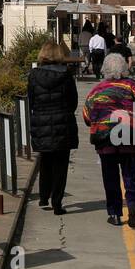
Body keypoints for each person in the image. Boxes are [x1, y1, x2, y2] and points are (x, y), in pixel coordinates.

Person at [84, 53, 135, 227]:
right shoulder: (134, 87)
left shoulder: (97, 90)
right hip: (130, 138)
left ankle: (114, 214)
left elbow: (87, 115)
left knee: (110, 178)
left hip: (105, 140)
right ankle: (133, 206)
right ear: (124, 68)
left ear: (105, 69)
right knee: (130, 176)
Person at [28, 40, 79, 215]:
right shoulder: (67, 74)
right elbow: (73, 101)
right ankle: (57, 202)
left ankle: (43, 197)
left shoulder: (34, 75)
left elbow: (31, 99)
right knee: (61, 164)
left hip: (41, 120)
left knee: (45, 160)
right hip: (62, 121)